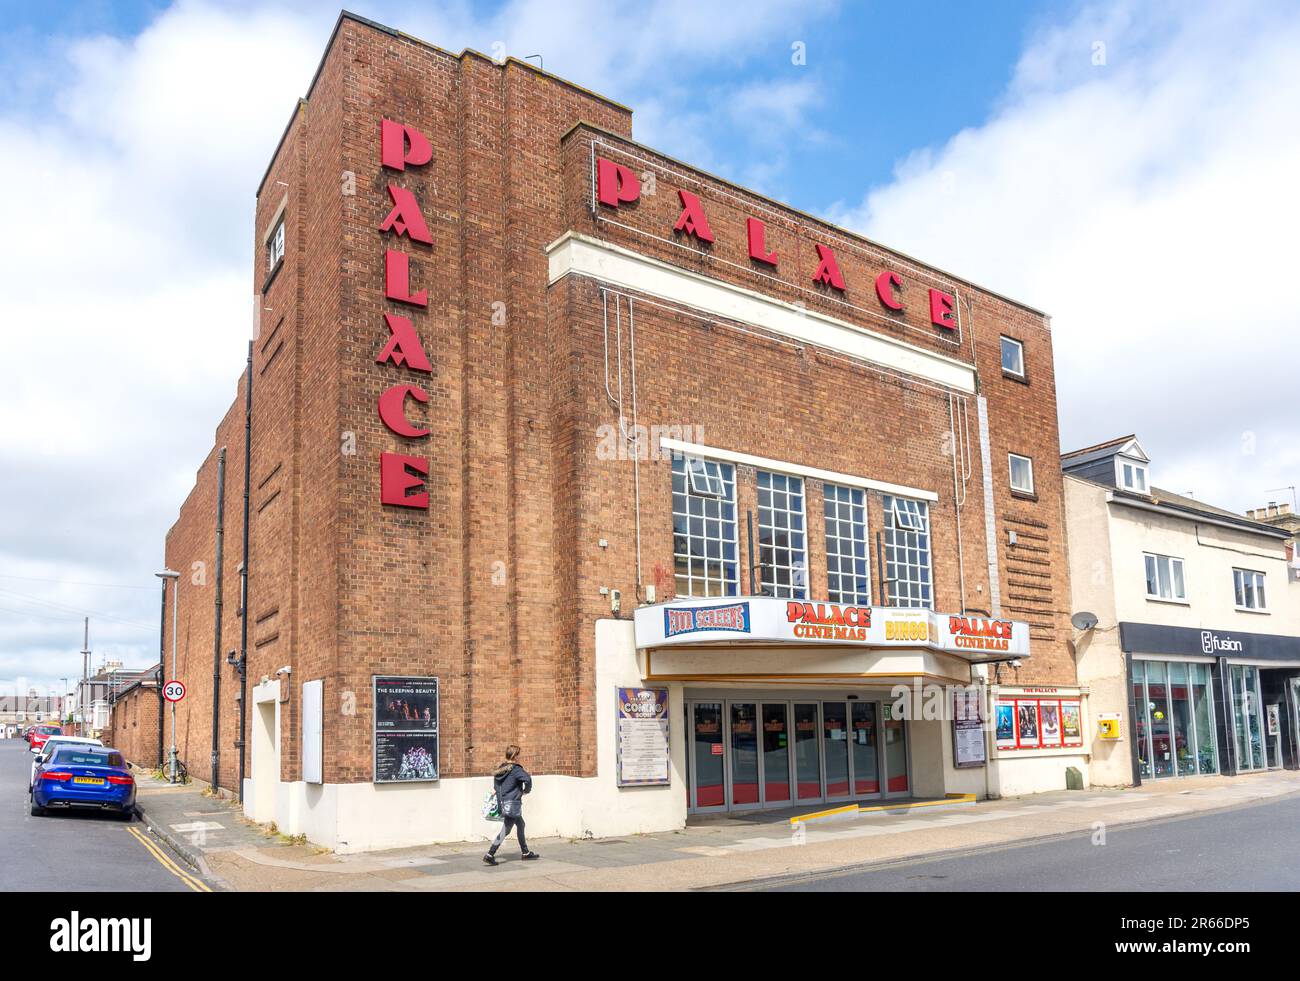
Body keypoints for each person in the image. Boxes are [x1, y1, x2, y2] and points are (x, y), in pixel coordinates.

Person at [483, 745, 540, 865]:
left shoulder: (500, 769)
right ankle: (490, 854)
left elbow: (496, 786)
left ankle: (525, 852)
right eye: (519, 755)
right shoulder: (515, 769)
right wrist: (526, 791)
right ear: (515, 756)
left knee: (521, 824)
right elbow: (528, 779)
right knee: (506, 829)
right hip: (513, 803)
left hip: (503, 802)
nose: (520, 758)